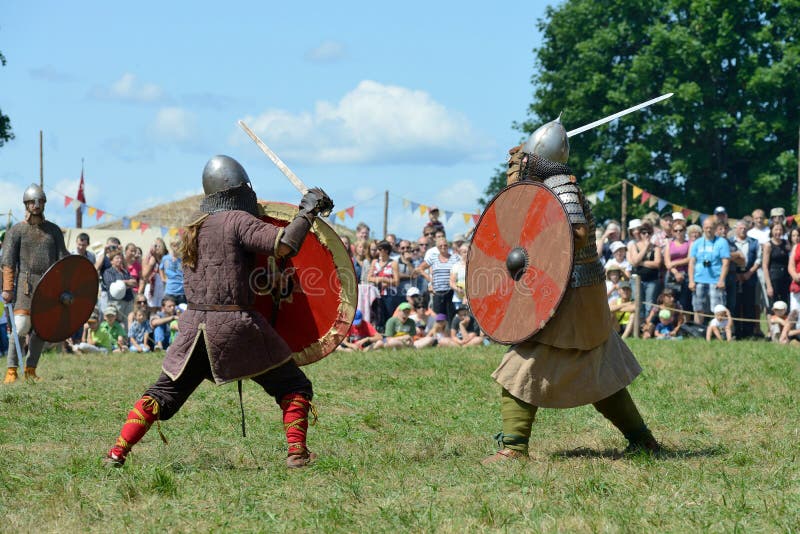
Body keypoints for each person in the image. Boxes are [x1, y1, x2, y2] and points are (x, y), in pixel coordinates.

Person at [104, 154, 333, 469]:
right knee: (293, 385)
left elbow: (225, 272)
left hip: (192, 330)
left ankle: (117, 452)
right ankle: (297, 454)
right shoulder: (238, 220)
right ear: (239, 188)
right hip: (235, 327)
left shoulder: (194, 229)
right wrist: (306, 213)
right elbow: (284, 246)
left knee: (162, 392)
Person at [484, 117, 659, 464]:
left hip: (571, 294)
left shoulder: (561, 184)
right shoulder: (542, 186)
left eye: (526, 158)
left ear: (539, 156)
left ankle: (515, 448)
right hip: (562, 293)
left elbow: (574, 233)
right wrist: (516, 181)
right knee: (599, 374)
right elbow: (514, 223)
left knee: (520, 366)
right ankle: (643, 442)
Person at [2, 184, 69, 383]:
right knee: (21, 327)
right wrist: (7, 288)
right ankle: (11, 370)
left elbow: (63, 261)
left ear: (44, 204)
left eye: (39, 201)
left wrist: (66, 286)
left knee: (41, 329)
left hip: (49, 287)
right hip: (26, 285)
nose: (36, 205)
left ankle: (30, 370)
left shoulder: (54, 231)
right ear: (26, 204)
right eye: (32, 201)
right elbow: (7, 262)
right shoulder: (17, 231)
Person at [688, 217, 730, 325]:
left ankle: (721, 331)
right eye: (706, 228)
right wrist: (691, 281)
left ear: (715, 228)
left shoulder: (722, 242)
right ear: (703, 228)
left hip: (715, 280)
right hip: (699, 280)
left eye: (711, 228)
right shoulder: (697, 243)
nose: (708, 230)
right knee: (698, 308)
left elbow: (725, 263)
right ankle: (698, 330)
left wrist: (721, 280)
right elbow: (692, 262)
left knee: (717, 308)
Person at [416, 235, 460, 322]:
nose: (443, 247)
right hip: (438, 292)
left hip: (451, 291)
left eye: (445, 245)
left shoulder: (455, 258)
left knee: (451, 316)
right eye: (440, 246)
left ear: (448, 246)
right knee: (439, 317)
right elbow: (419, 269)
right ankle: (440, 334)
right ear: (437, 247)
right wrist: (430, 280)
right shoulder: (433, 258)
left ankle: (450, 334)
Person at [729, 221, 761, 338]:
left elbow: (758, 259)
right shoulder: (730, 242)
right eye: (740, 228)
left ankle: (749, 332)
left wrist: (749, 273)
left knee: (749, 305)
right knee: (736, 305)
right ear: (736, 229)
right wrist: (737, 275)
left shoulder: (754, 242)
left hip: (750, 276)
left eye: (744, 228)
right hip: (734, 276)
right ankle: (737, 331)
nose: (742, 230)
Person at [628, 221, 662, 318]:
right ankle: (639, 327)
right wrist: (646, 247)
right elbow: (634, 262)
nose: (646, 235)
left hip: (652, 280)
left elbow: (657, 264)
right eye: (644, 232)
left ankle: (647, 327)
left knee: (649, 305)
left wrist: (641, 263)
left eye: (649, 233)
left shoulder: (656, 247)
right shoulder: (634, 245)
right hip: (637, 279)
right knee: (638, 303)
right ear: (640, 234)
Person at [367, 240, 399, 331]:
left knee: (389, 314)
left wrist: (385, 280)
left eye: (379, 249)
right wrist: (379, 279)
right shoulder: (374, 262)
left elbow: (396, 282)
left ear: (385, 250)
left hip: (389, 294)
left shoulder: (393, 263)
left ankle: (389, 333)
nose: (377, 251)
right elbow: (369, 278)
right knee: (378, 316)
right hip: (377, 293)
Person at [664, 217, 692, 312]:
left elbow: (689, 259)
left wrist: (675, 262)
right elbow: (667, 263)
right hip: (671, 275)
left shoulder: (689, 243)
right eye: (675, 230)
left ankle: (683, 325)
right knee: (669, 302)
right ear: (672, 232)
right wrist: (676, 273)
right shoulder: (669, 243)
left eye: (681, 230)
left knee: (684, 304)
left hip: (685, 275)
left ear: (685, 231)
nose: (678, 232)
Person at [103, 250, 136, 328]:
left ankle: (127, 339)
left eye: (120, 258)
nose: (120, 260)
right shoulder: (108, 272)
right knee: (116, 323)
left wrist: (122, 282)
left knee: (128, 323)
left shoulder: (125, 272)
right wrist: (127, 283)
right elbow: (112, 286)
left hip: (128, 300)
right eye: (117, 258)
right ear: (111, 261)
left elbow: (134, 283)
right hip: (116, 302)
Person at [763, 222, 791, 306]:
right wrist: (769, 285)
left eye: (780, 230)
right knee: (773, 306)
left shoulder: (786, 243)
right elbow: (765, 265)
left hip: (785, 278)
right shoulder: (768, 245)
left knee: (786, 305)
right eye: (776, 229)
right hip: (773, 278)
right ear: (771, 231)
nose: (778, 232)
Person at [141, 238, 168, 313]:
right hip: (151, 287)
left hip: (163, 286)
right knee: (151, 310)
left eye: (159, 246)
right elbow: (145, 275)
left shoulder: (167, 258)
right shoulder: (148, 258)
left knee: (162, 309)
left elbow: (166, 273)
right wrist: (151, 264)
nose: (157, 248)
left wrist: (158, 259)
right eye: (155, 246)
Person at [160, 240, 185, 305]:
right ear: (171, 246)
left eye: (178, 245)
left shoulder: (182, 259)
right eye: (174, 245)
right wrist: (163, 278)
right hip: (170, 290)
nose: (176, 247)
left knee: (181, 311)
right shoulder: (165, 258)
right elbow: (161, 268)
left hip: (181, 290)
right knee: (169, 311)